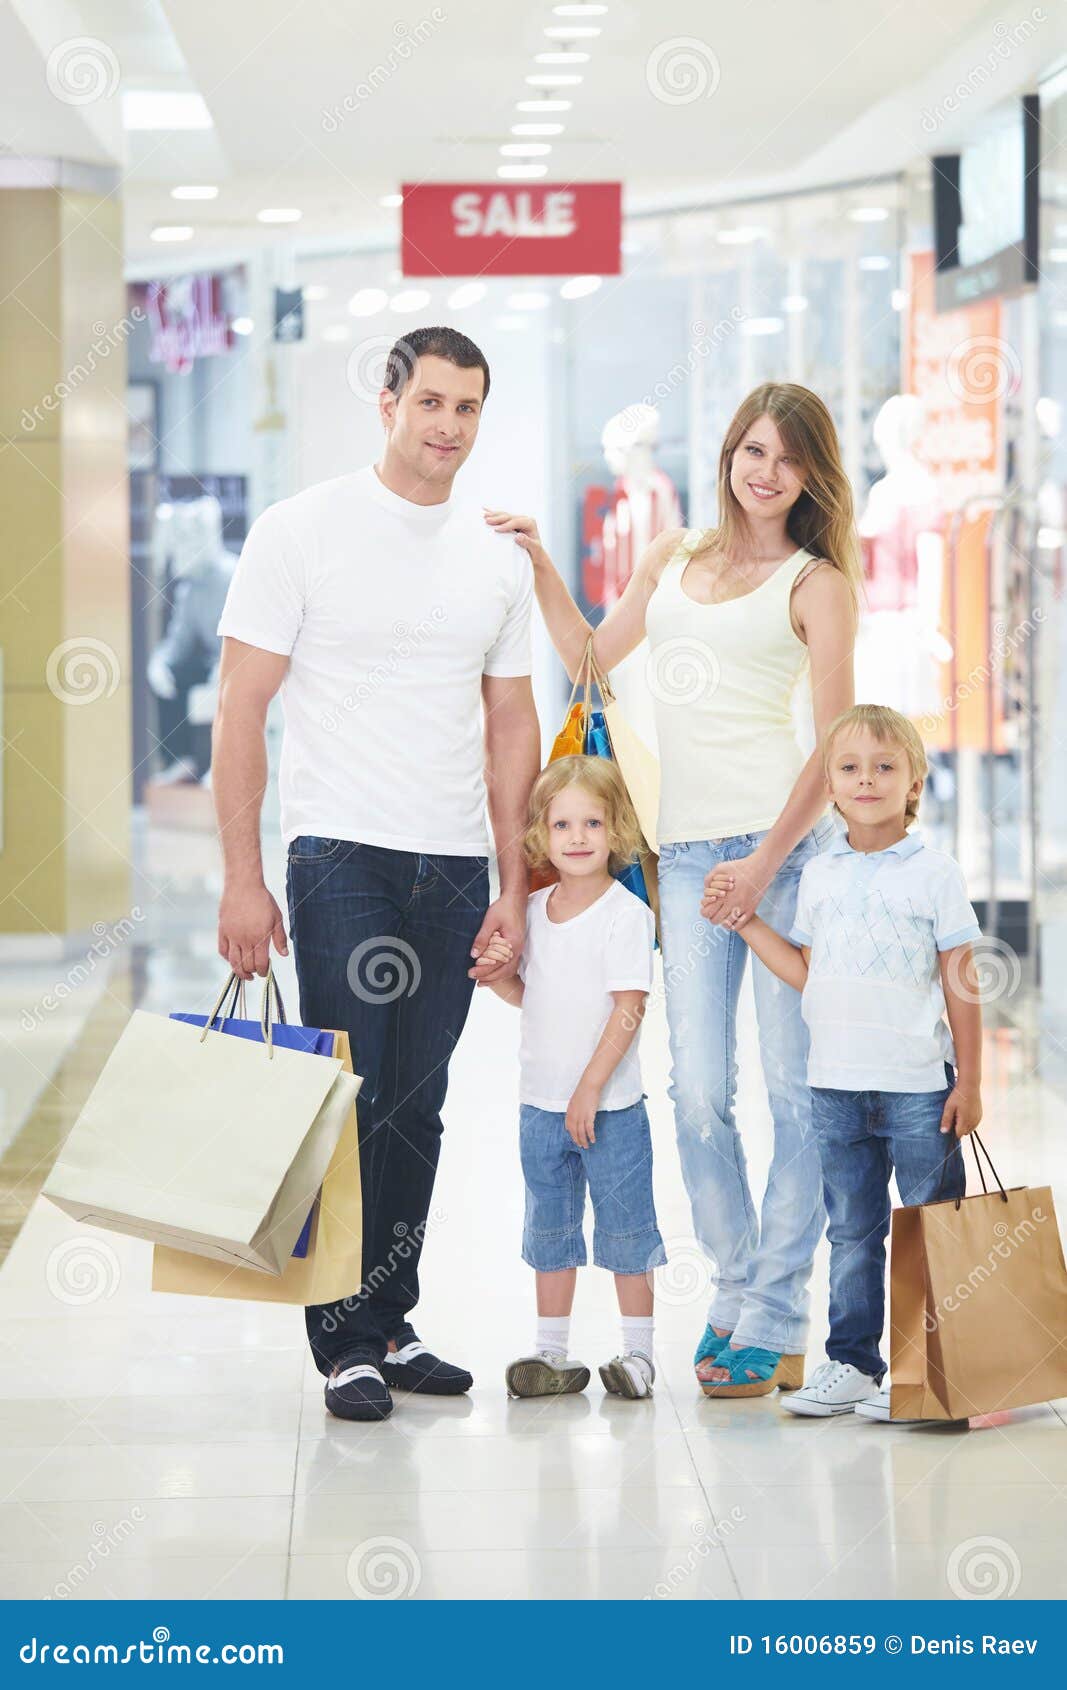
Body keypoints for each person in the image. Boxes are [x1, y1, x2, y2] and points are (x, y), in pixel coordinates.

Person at [484, 382, 859, 1397]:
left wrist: (767, 862)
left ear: (810, 473)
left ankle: (777, 1312)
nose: (763, 471)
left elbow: (834, 744)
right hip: (685, 859)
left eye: (785, 456)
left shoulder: (816, 581)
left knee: (793, 1094)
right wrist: (541, 562)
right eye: (749, 449)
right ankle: (734, 1291)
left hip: (785, 856)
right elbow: (587, 662)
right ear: (728, 454)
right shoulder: (674, 556)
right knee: (697, 1096)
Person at [212, 326, 541, 1422]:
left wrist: (514, 882)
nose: (447, 426)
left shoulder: (493, 555)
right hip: (339, 848)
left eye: (467, 408)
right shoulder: (300, 530)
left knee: (418, 1103)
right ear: (388, 402)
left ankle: (391, 1318)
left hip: (451, 862)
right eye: (431, 402)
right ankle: (342, 1338)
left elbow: (510, 725)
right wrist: (241, 877)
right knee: (350, 1092)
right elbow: (241, 710)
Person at [704, 704, 983, 1418]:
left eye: (885, 767)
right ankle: (853, 1365)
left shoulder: (934, 872)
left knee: (928, 1228)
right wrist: (747, 921)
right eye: (850, 768)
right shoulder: (820, 875)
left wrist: (971, 1080)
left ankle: (934, 1374)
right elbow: (806, 971)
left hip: (918, 1087)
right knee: (853, 1234)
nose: (867, 781)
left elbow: (960, 977)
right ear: (827, 783)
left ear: (913, 781)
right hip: (832, 1086)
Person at [481, 756, 666, 1400]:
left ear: (617, 832)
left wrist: (589, 1087)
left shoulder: (625, 914)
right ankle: (550, 1354)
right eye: (563, 824)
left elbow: (629, 1007)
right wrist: (498, 974)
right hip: (540, 1105)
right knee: (550, 1228)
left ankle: (638, 1355)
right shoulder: (530, 909)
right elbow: (529, 996)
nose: (579, 836)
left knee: (625, 1228)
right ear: (540, 835)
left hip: (609, 1107)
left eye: (593, 822)